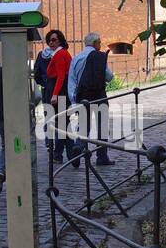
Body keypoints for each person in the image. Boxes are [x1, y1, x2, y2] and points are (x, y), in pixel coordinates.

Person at [66, 32, 114, 167]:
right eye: (99, 42)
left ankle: (78, 148)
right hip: (99, 95)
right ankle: (101, 157)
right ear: (95, 43)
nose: (100, 44)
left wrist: (74, 100)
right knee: (102, 126)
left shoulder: (76, 58)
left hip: (83, 97)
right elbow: (109, 77)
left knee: (83, 126)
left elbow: (72, 82)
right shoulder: (99, 56)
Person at [35, 29, 72, 164]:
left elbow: (61, 76)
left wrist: (55, 94)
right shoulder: (59, 53)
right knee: (63, 123)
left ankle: (59, 154)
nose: (51, 42)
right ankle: (72, 154)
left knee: (60, 124)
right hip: (56, 91)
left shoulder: (60, 54)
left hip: (59, 92)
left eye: (54, 39)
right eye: (49, 40)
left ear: (60, 40)